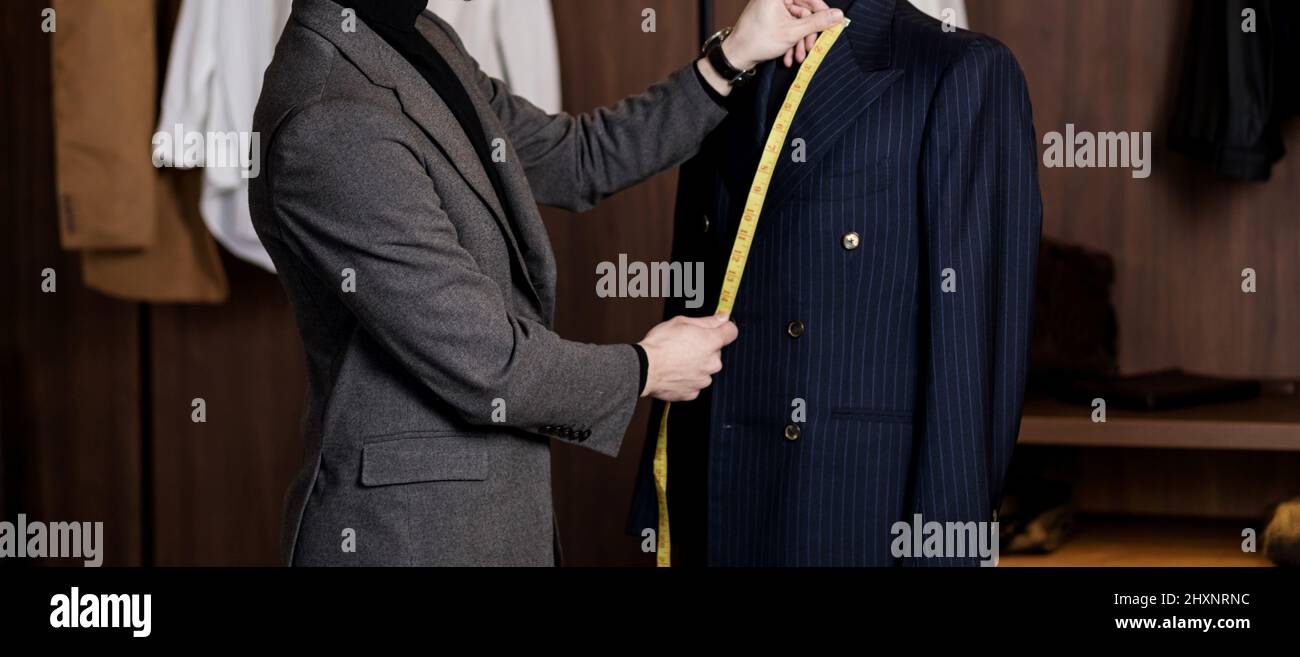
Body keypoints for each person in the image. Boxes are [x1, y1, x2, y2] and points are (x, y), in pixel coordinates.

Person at [248, 0, 845, 565]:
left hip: (493, 516)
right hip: (408, 533)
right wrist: (647, 368)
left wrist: (732, 57)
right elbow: (487, 361)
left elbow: (575, 158)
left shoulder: (417, 37)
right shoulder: (329, 119)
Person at [631, 0, 1044, 566]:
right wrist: (659, 494)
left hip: (851, 505)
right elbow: (697, 282)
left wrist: (949, 545)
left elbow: (974, 350)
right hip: (713, 494)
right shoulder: (730, 63)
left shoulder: (959, 66)